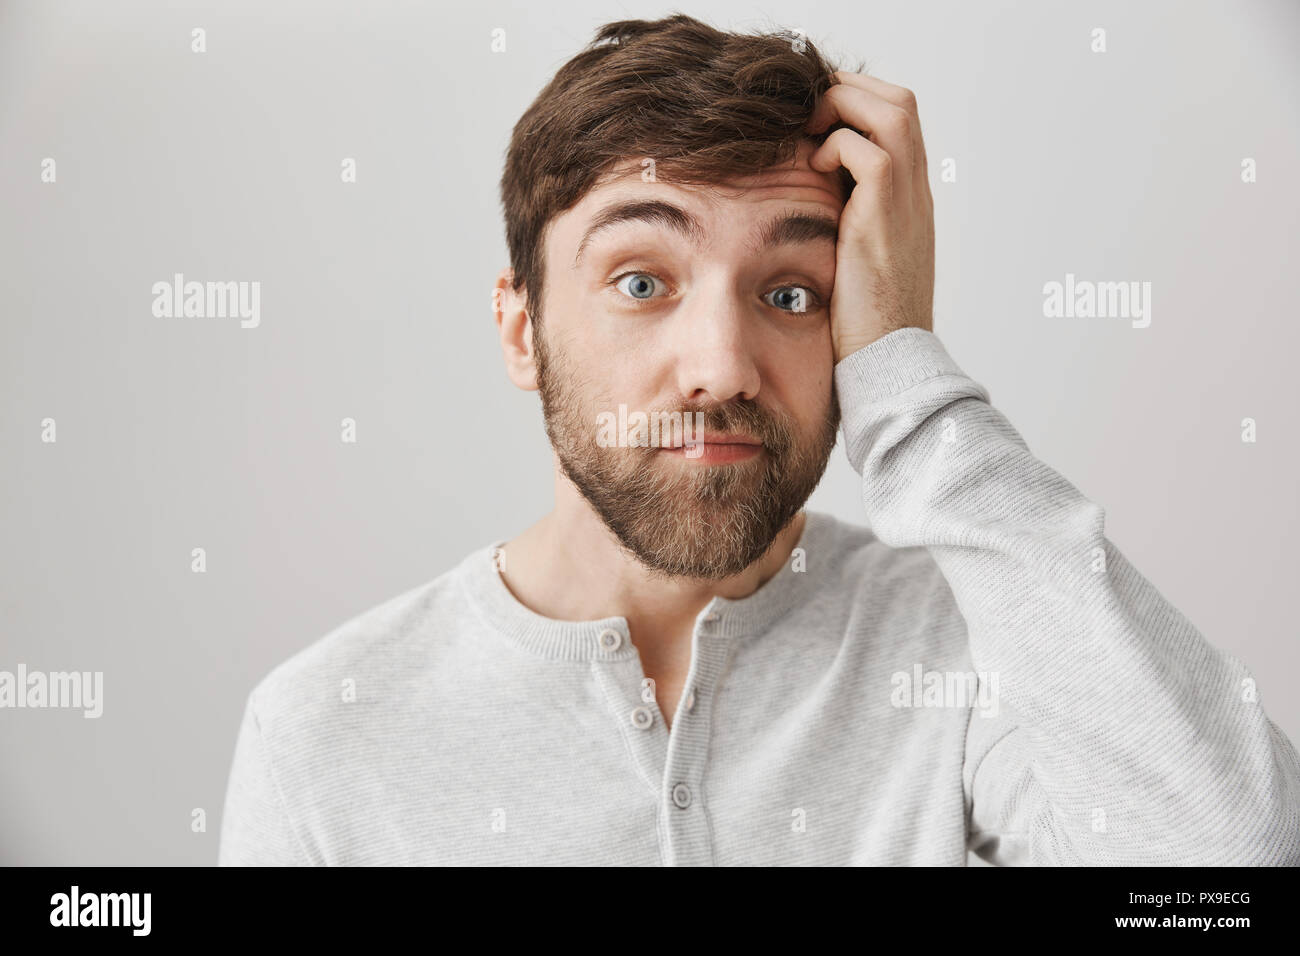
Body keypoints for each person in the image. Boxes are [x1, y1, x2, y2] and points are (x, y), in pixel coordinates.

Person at [218, 14, 1300, 865]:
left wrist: (907, 379)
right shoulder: (324, 731)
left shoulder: (963, 644)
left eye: (791, 291)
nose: (724, 363)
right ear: (522, 328)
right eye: (641, 281)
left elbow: (1225, 867)